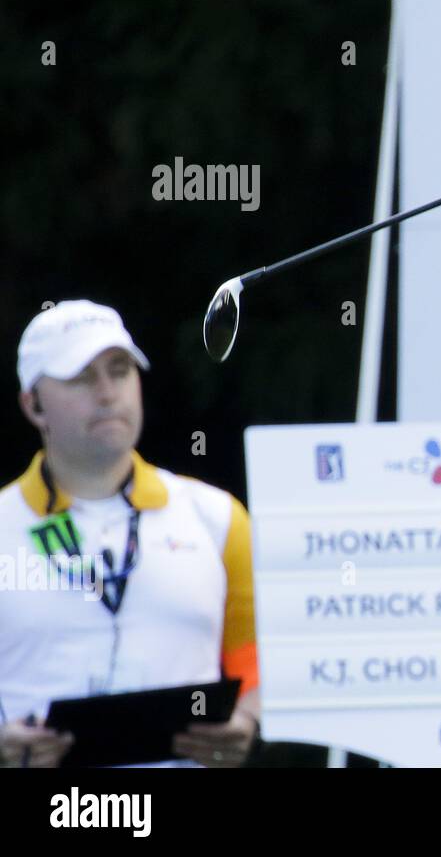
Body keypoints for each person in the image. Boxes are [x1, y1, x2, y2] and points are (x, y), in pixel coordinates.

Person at [0, 300, 260, 768]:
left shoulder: (217, 516)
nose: (106, 393)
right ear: (32, 404)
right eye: (81, 376)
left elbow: (255, 650)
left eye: (119, 371)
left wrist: (247, 719)